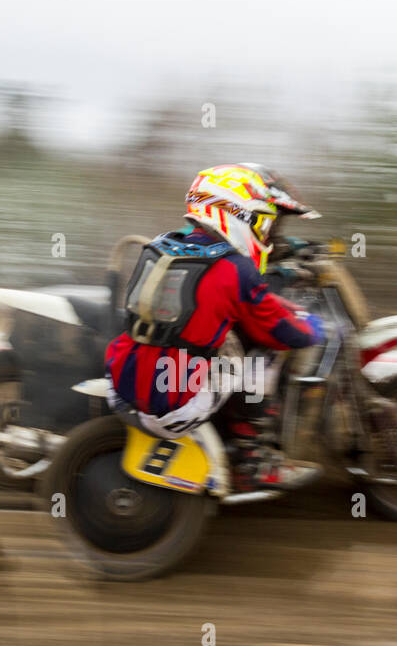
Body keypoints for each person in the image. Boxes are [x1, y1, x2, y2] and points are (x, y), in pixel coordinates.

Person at [105, 163, 325, 490]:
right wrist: (315, 328)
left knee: (207, 337)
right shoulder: (236, 270)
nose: (270, 234)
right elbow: (282, 332)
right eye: (268, 225)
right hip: (172, 410)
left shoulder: (161, 244)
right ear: (242, 215)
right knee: (259, 353)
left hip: (120, 388)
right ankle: (253, 457)